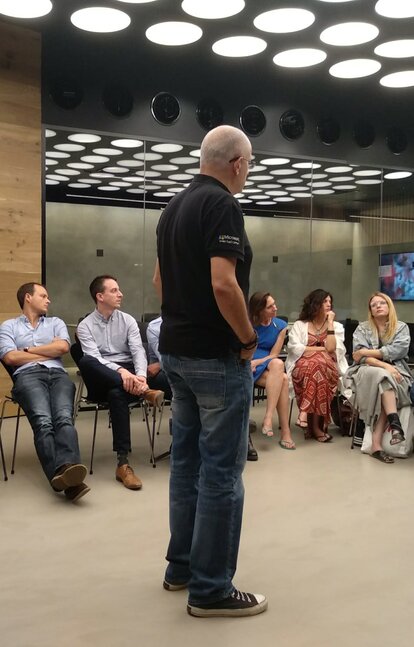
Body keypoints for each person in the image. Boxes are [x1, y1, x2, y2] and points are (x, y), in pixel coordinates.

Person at [154, 125, 267, 618]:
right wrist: (246, 338)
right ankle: (211, 588)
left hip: (176, 353)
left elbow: (160, 280)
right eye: (249, 164)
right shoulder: (222, 205)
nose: (248, 172)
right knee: (221, 473)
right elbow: (225, 284)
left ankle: (181, 567)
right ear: (237, 163)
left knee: (186, 466)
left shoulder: (172, 208)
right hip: (216, 359)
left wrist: (183, 319)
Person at [0, 283, 89, 502]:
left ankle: (65, 474)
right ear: (28, 297)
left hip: (58, 375)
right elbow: (10, 358)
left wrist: (27, 351)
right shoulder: (8, 326)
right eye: (43, 296)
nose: (48, 300)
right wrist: (48, 352)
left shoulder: (55, 322)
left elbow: (62, 348)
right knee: (43, 422)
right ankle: (66, 478)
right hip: (27, 377)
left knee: (63, 419)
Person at [76, 275, 164, 490]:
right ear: (100, 296)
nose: (120, 294)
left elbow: (137, 351)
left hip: (129, 378)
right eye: (114, 290)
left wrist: (140, 376)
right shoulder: (85, 326)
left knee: (117, 394)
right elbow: (95, 359)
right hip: (101, 375)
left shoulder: (128, 320)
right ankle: (145, 392)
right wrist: (122, 372)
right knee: (86, 361)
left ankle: (123, 464)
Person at [345, 292, 413, 464]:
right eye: (374, 305)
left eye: (382, 303)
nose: (378, 306)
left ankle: (377, 445)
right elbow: (358, 358)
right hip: (366, 370)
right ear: (371, 310)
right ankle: (395, 425)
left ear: (389, 306)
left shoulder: (401, 327)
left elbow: (398, 351)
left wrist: (366, 351)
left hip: (398, 372)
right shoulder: (362, 328)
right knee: (382, 375)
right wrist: (385, 365)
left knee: (383, 384)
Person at [285, 289, 348, 442]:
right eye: (325, 301)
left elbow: (332, 349)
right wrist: (321, 350)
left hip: (329, 368)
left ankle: (304, 413)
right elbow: (295, 348)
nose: (329, 304)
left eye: (330, 301)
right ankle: (316, 428)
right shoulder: (300, 325)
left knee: (317, 366)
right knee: (316, 367)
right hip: (302, 368)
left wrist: (330, 323)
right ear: (315, 304)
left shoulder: (337, 326)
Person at [248, 291, 295, 449]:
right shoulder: (247, 324)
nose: (275, 308)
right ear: (259, 310)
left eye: (274, 304)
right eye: (270, 307)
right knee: (283, 379)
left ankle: (268, 417)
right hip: (248, 363)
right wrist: (250, 362)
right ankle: (285, 433)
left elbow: (274, 354)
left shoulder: (280, 326)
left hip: (265, 362)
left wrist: (258, 362)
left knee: (278, 363)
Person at [146, 315, 172, 401]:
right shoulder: (154, 327)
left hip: (186, 365)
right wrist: (161, 364)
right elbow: (164, 358)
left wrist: (159, 365)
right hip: (163, 372)